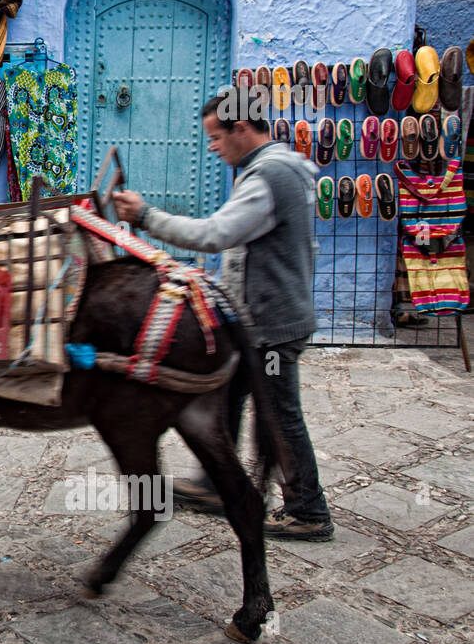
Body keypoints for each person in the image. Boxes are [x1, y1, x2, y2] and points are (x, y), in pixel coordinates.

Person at [111, 90, 333, 541]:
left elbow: (217, 233)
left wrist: (147, 216)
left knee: (278, 415)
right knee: (226, 398)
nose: (211, 147)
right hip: (255, 320)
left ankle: (308, 510)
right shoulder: (272, 168)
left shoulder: (269, 175)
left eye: (216, 137)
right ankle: (214, 484)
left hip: (272, 324)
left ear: (242, 129)